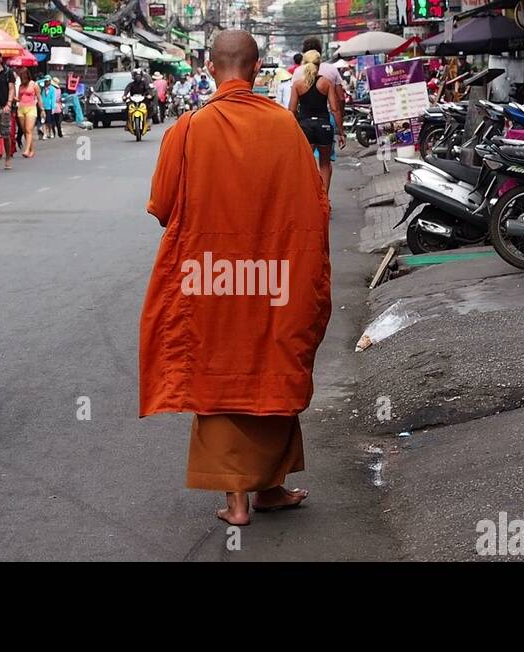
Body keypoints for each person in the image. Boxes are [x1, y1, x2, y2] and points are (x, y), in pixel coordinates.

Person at [141, 29, 331, 526]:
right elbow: (313, 209)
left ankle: (240, 500)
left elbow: (162, 207)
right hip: (275, 276)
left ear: (209, 68)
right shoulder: (285, 126)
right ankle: (270, 485)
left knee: (217, 369)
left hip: (209, 279)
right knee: (272, 361)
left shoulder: (189, 129)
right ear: (257, 68)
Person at [292, 38, 345, 191]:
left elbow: (292, 110)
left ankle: (311, 197)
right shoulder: (326, 82)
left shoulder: (298, 84)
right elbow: (335, 108)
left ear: (304, 63)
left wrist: (294, 129)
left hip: (305, 126)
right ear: (319, 64)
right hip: (324, 125)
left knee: (306, 165)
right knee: (325, 164)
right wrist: (341, 132)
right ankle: (324, 199)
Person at [15, 67, 40, 157]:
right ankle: (31, 150)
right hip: (21, 108)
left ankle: (26, 150)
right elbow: (19, 98)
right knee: (25, 131)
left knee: (29, 129)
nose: (23, 78)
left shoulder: (34, 84)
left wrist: (42, 110)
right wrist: (12, 98)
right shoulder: (21, 86)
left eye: (24, 76)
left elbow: (39, 98)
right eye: (21, 76)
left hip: (31, 108)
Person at [40, 76, 57, 140]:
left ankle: (50, 132)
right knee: (43, 121)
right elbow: (40, 97)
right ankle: (44, 133)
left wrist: (53, 108)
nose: (47, 82)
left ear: (50, 81)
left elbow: (53, 99)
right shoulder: (42, 88)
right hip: (43, 107)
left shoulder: (52, 89)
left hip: (49, 107)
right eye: (46, 81)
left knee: (49, 121)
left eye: (48, 81)